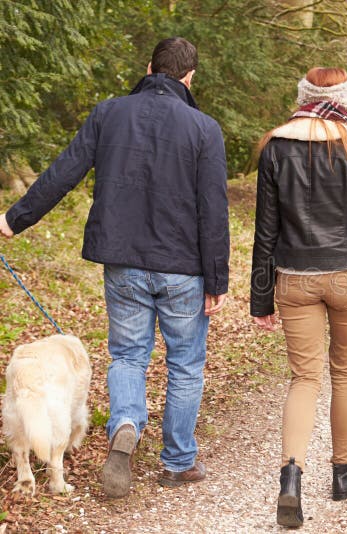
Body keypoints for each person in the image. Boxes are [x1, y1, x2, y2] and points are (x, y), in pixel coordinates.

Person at [0, 37, 229, 497]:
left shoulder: (109, 113)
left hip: (123, 263)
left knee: (128, 356)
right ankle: (179, 461)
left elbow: (64, 172)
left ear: (149, 67)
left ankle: (125, 422)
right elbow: (214, 207)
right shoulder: (205, 129)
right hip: (184, 268)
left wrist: (12, 220)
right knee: (185, 364)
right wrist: (217, 277)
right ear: (190, 77)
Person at [250, 67, 347, 528]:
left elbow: (266, 231)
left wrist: (261, 299)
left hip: (294, 278)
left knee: (304, 378)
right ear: (346, 98)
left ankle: (291, 476)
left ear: (304, 96)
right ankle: (342, 473)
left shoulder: (275, 148)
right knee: (346, 373)